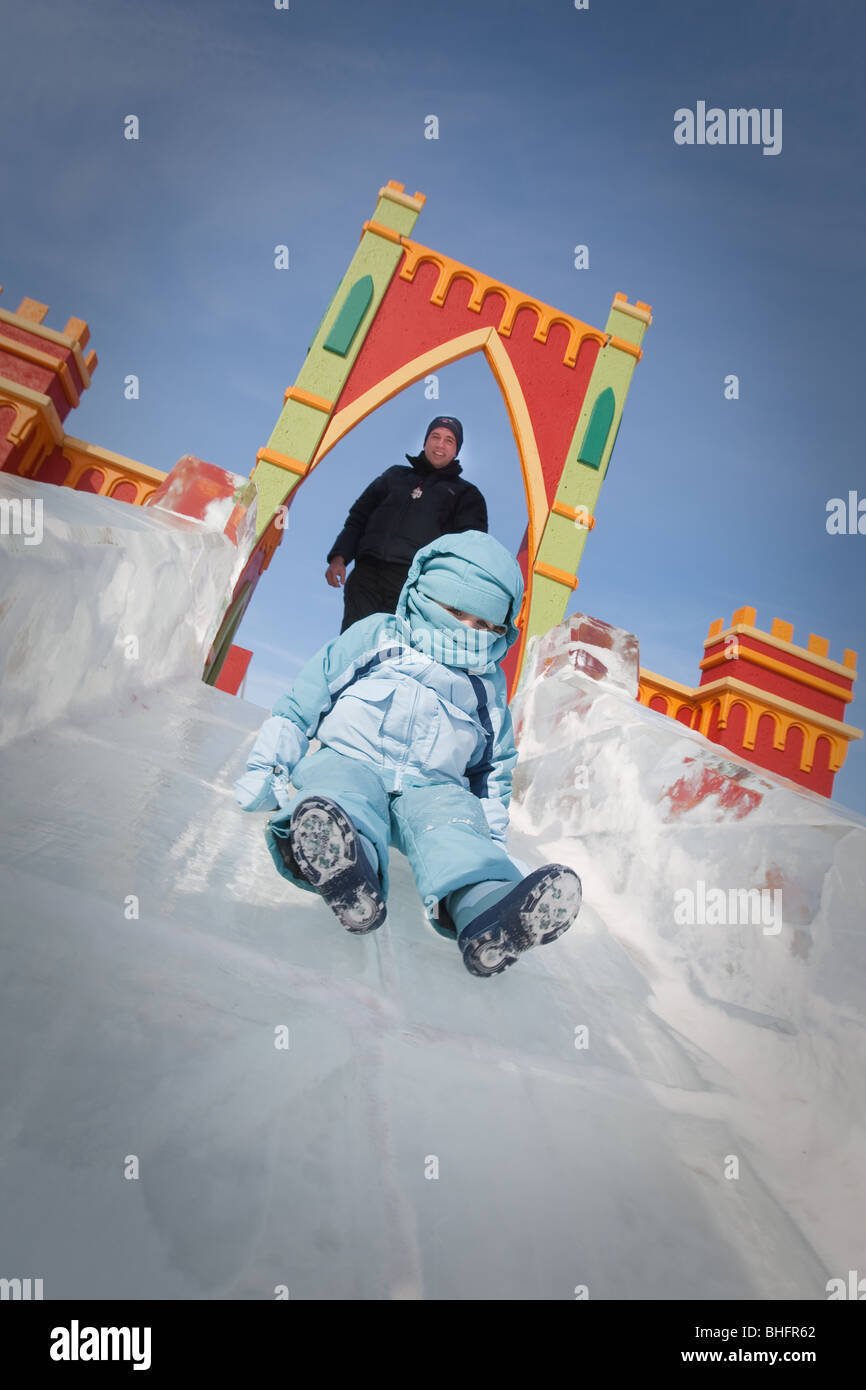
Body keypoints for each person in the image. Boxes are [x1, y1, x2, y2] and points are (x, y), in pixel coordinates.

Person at [234, 530, 581, 978]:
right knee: (341, 795)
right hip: (351, 760)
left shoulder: (485, 685)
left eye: (484, 626)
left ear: (502, 629)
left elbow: (493, 769)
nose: (468, 630)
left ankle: (488, 909)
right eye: (457, 613)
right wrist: (269, 768)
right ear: (425, 594)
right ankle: (348, 867)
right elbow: (306, 698)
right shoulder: (377, 636)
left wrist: (490, 840)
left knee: (453, 829)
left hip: (433, 788)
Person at [325, 415, 488, 633]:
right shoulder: (394, 475)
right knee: (353, 645)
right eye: (435, 436)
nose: (440, 444)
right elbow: (358, 517)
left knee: (391, 656)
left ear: (457, 450)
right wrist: (340, 557)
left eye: (449, 440)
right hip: (366, 577)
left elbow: (468, 550)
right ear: (425, 441)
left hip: (414, 587)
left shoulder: (466, 494)